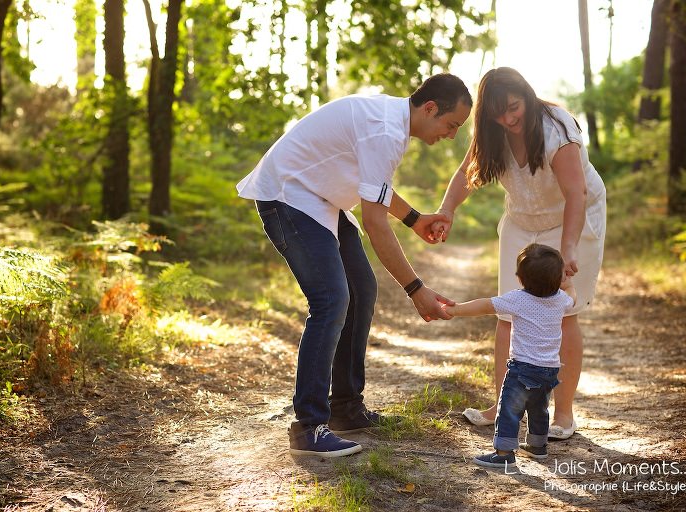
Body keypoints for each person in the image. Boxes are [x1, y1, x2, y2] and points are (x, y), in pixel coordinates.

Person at [236, 73, 473, 457]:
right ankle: (309, 427)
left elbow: (374, 189)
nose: (451, 135)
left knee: (361, 291)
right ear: (430, 108)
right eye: (451, 125)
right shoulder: (386, 130)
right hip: (288, 195)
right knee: (332, 300)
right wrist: (416, 289)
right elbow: (376, 224)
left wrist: (415, 219)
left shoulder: (392, 124)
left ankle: (345, 408)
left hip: (322, 199)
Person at [434, 67, 606, 440]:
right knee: (508, 311)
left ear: (526, 95)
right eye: (499, 113)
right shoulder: (492, 132)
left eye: (513, 108)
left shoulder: (556, 128)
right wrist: (447, 210)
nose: (508, 119)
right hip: (522, 219)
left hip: (571, 217)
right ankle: (503, 406)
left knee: (563, 313)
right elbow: (467, 173)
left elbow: (576, 193)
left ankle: (564, 414)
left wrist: (568, 248)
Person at [443, 243, 576, 468]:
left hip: (522, 368)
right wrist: (569, 284)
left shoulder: (518, 299)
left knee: (509, 410)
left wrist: (455, 309)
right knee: (539, 408)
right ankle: (537, 446)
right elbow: (573, 298)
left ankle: (504, 453)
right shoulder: (560, 299)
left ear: (520, 279)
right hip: (550, 369)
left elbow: (485, 306)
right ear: (557, 278)